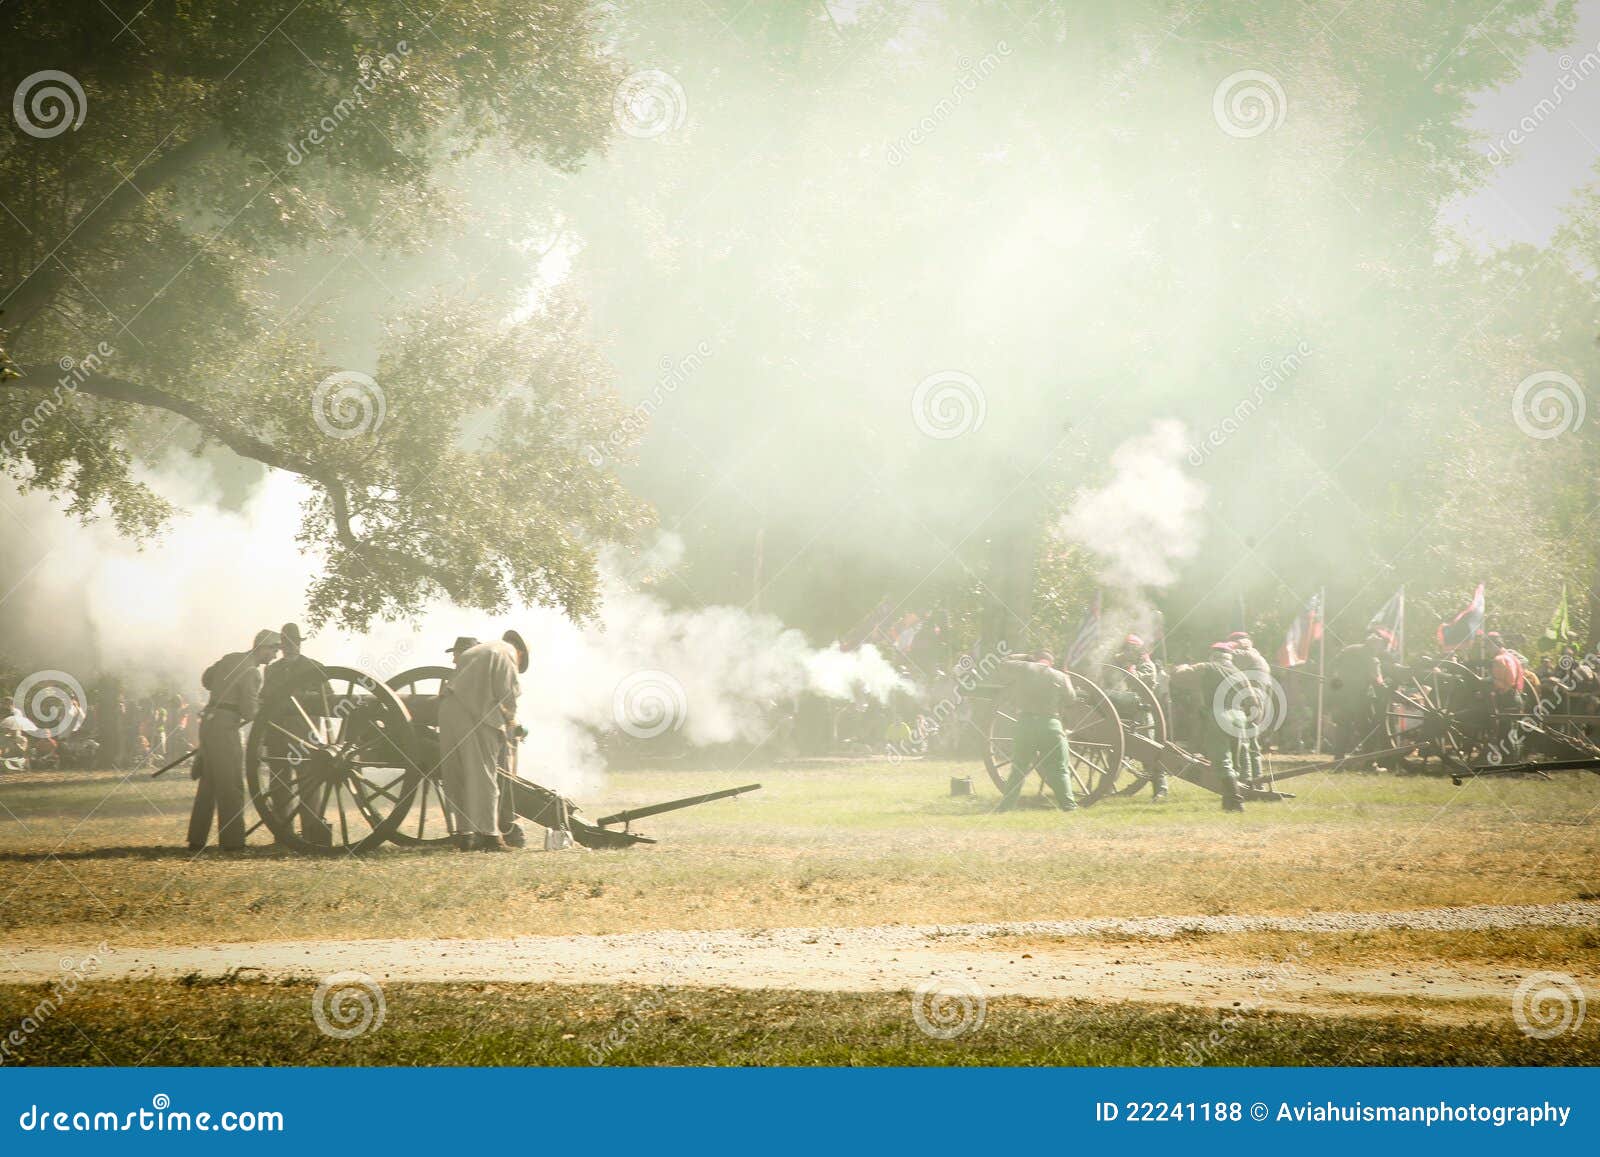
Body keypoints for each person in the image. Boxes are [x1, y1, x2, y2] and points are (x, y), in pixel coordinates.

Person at [187, 629, 281, 851]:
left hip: (209, 724)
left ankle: (196, 839)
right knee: (231, 784)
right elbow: (249, 712)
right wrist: (265, 714)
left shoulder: (230, 659)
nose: (275, 656)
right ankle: (233, 841)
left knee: (208, 784)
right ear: (262, 648)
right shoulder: (253, 673)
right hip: (225, 727)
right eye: (274, 650)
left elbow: (207, 679)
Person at [438, 629, 528, 851]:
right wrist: (512, 722)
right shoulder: (506, 654)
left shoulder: (480, 650)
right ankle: (490, 837)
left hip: (448, 711)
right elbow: (508, 693)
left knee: (456, 775)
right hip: (475, 716)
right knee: (484, 776)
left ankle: (466, 835)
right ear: (521, 653)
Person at [261, 622, 332, 847]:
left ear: (299, 644)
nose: (290, 647)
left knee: (309, 784)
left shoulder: (314, 667)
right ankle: (283, 833)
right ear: (281, 646)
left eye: (293, 642)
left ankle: (311, 830)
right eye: (286, 643)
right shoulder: (271, 670)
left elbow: (328, 700)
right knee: (279, 784)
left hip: (306, 734)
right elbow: (264, 700)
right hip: (277, 733)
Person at [993, 650, 1078, 813]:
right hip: (1050, 725)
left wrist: (1025, 657)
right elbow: (1071, 699)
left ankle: (1005, 807)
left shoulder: (1024, 668)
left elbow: (1002, 662)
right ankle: (1069, 806)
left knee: (1018, 769)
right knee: (1059, 768)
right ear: (1050, 662)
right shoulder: (1059, 676)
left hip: (1025, 725)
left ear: (1035, 660)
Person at [1167, 660, 1246, 813]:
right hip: (1239, 715)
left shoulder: (1208, 667)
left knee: (1221, 761)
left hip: (1220, 715)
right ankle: (1228, 801)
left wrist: (1180, 666)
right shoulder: (1235, 669)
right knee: (1234, 762)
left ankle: (1236, 802)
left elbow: (1179, 675)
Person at [1112, 634, 1168, 801]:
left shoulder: (1146, 665)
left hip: (1142, 712)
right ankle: (1107, 785)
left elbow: (1141, 683)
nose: (1126, 652)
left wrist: (1128, 668)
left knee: (1150, 752)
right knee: (1117, 751)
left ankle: (1161, 789)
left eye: (1130, 649)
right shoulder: (1125, 662)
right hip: (1123, 711)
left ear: (1137, 650)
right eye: (1125, 649)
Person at [1226, 632, 1271, 782]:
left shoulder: (1243, 654)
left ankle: (1246, 779)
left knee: (1245, 742)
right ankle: (1257, 780)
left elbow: (1227, 657)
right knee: (1253, 743)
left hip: (1248, 701)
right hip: (1259, 702)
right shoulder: (1259, 658)